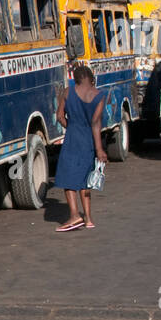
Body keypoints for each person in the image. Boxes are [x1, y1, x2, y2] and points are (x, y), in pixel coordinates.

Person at [54, 63, 107, 232]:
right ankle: (89, 219)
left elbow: (59, 116)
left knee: (68, 178)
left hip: (72, 139)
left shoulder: (68, 92)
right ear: (91, 78)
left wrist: (70, 126)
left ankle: (74, 215)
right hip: (89, 142)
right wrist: (99, 149)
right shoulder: (99, 95)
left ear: (75, 79)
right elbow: (96, 124)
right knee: (85, 180)